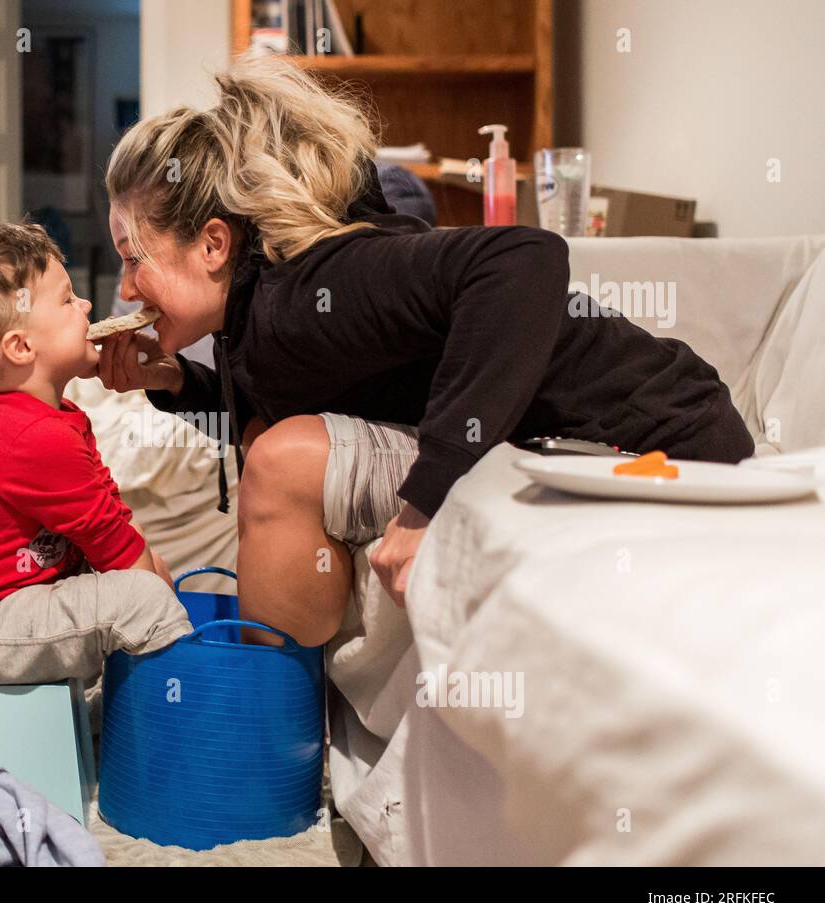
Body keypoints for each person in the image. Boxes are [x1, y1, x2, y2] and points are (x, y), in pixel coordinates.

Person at [95, 56, 753, 647]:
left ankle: (257, 712)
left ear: (213, 245)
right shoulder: (254, 312)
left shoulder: (314, 285)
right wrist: (180, 384)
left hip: (661, 437)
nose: (125, 289)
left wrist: (426, 501)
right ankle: (267, 706)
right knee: (272, 438)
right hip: (568, 441)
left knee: (279, 457)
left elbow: (523, 258)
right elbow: (280, 404)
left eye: (133, 259)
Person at [0, 223, 190, 684]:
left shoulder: (51, 419)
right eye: (69, 301)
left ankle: (89, 726)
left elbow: (107, 518)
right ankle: (173, 720)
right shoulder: (32, 436)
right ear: (21, 347)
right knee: (141, 600)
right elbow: (114, 544)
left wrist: (142, 564)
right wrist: (150, 588)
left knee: (128, 584)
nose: (87, 306)